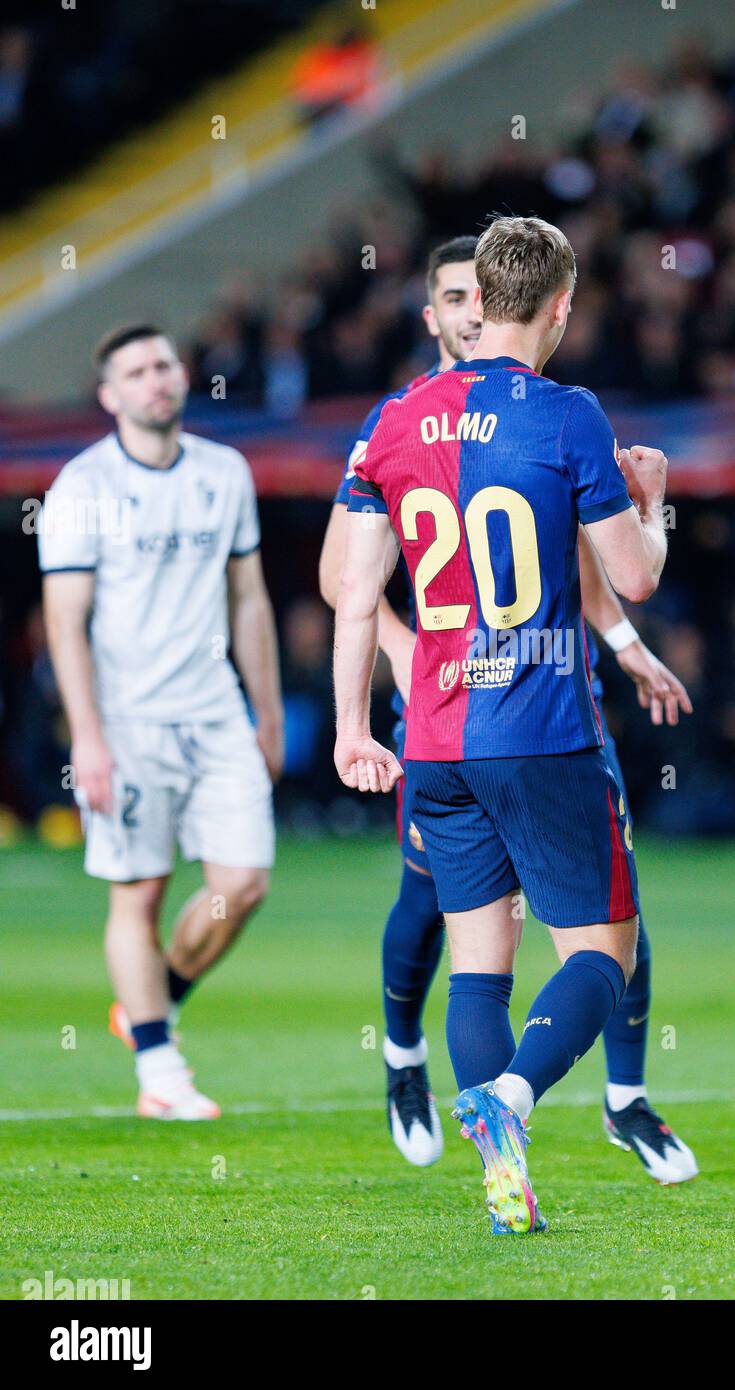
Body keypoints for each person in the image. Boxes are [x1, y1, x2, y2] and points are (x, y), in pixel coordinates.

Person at [332, 216, 686, 1233]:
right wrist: (653, 499)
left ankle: (501, 1174)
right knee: (598, 956)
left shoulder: (393, 420)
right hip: (538, 726)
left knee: (478, 964)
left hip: (433, 738)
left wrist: (358, 727)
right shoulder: (567, 414)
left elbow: (358, 596)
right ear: (562, 306)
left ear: (473, 302)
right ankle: (515, 1098)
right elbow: (633, 575)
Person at [38, 324, 283, 1120]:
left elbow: (248, 600)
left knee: (241, 883)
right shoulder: (82, 487)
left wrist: (268, 711)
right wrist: (89, 736)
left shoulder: (224, 471)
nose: (158, 380)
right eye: (137, 371)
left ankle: (153, 1002)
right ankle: (159, 1071)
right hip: (129, 721)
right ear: (110, 395)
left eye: (166, 365)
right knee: (138, 895)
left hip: (213, 713)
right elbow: (66, 621)